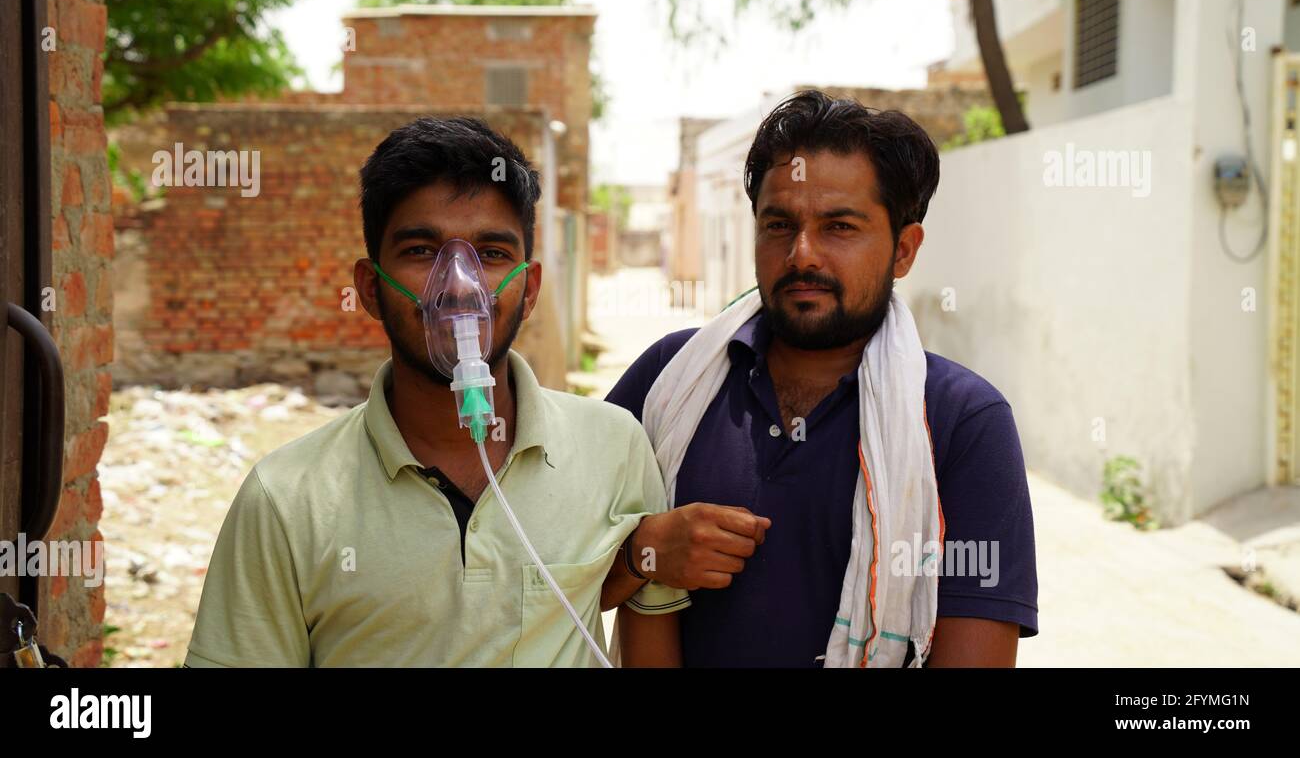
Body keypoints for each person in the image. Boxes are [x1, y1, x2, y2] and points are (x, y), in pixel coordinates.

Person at [186, 117, 687, 667]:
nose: (459, 288)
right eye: (423, 251)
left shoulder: (613, 449)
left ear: (529, 288)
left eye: (491, 254)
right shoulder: (287, 499)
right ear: (370, 288)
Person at [603, 90, 1038, 667]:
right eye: (779, 224)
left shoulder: (963, 421)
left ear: (904, 250)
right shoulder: (670, 377)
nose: (802, 254)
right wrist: (644, 553)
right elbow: (542, 576)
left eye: (839, 226)